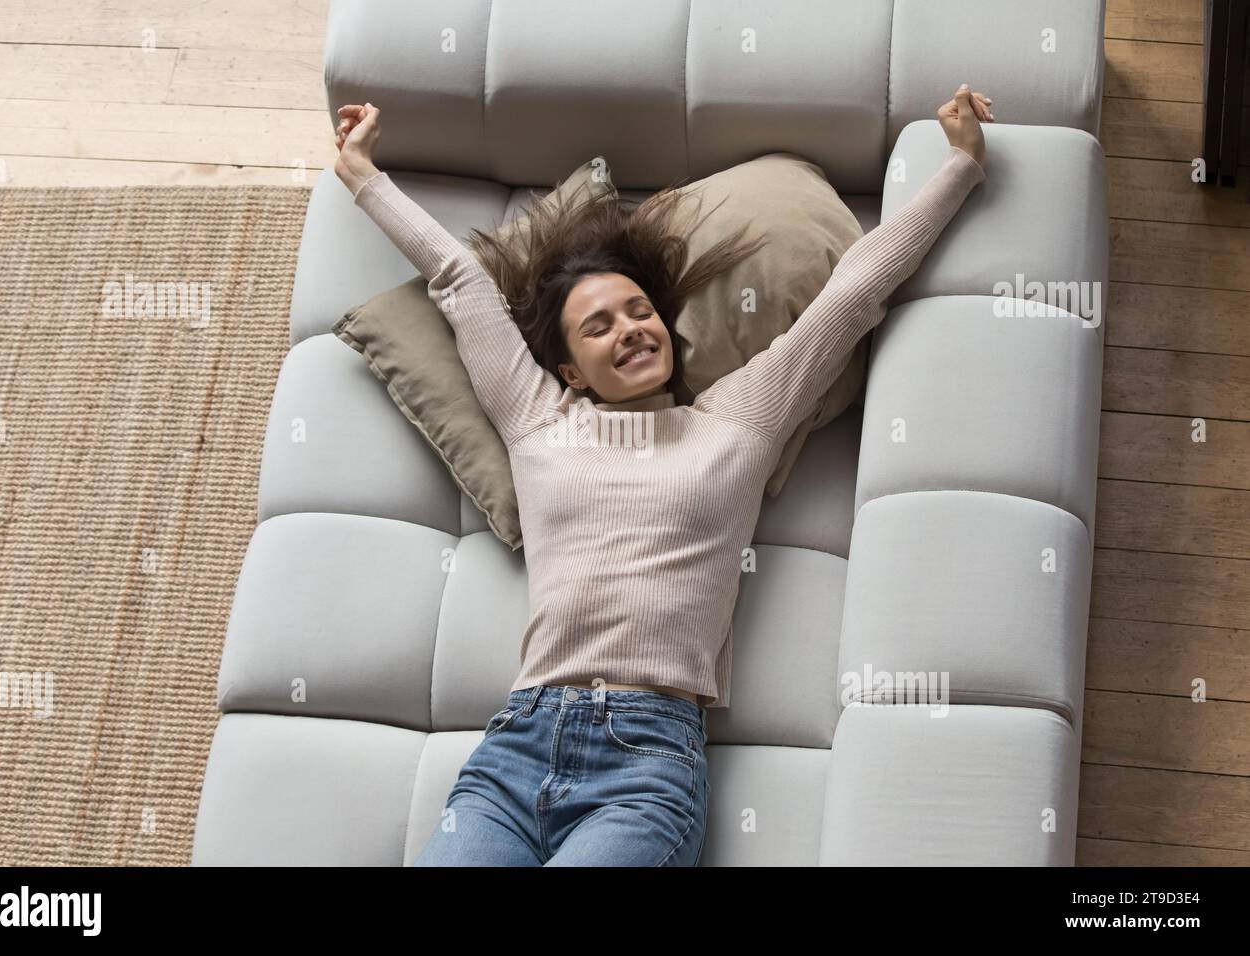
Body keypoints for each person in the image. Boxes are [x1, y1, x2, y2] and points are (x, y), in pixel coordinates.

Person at [333, 84, 994, 866]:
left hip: (645, 763)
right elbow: (457, 280)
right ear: (569, 371)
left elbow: (849, 297)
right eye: (599, 326)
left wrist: (959, 166)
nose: (631, 329)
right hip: (513, 753)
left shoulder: (738, 418)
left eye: (640, 310)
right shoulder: (539, 419)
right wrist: (361, 175)